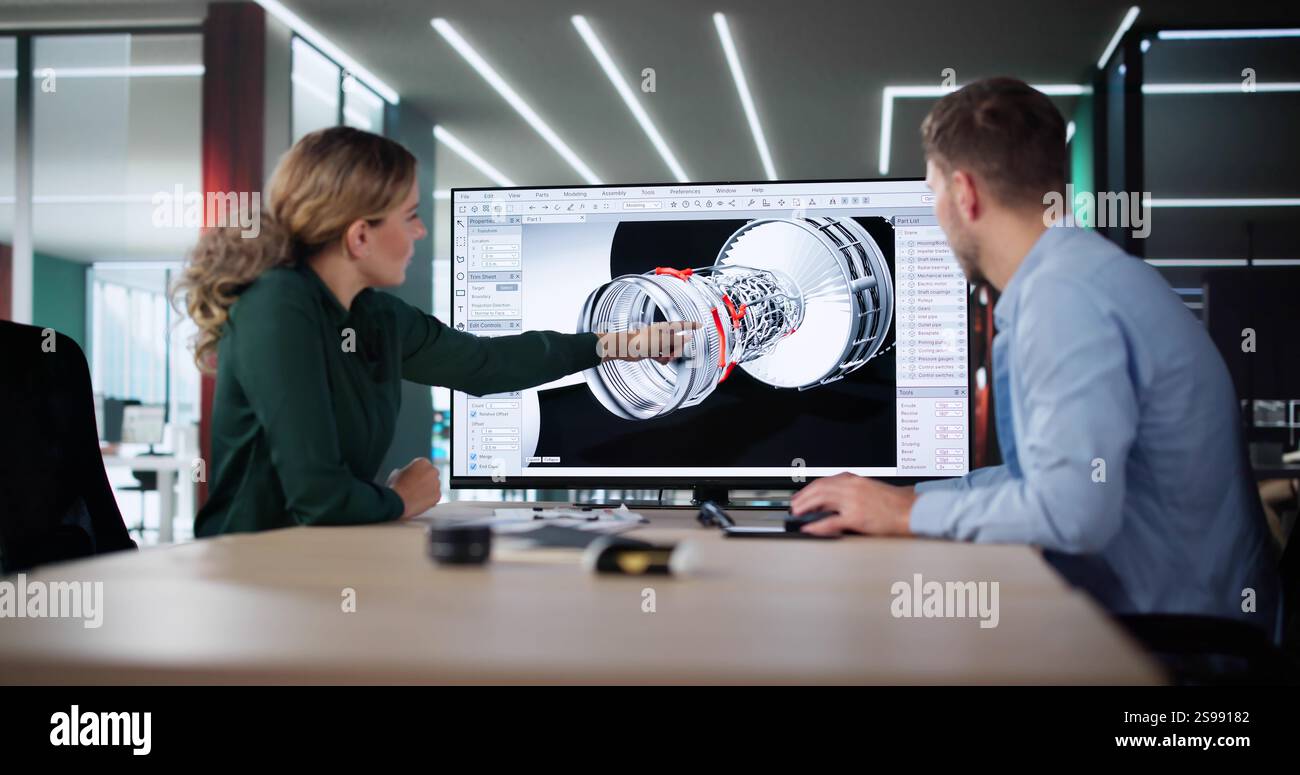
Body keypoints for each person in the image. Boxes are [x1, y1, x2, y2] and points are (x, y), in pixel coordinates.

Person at [791, 78, 1279, 630]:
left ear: (965, 193)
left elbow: (1072, 512)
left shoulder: (1062, 298)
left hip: (1179, 648)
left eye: (933, 194)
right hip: (1175, 615)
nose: (936, 214)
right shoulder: (1083, 277)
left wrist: (907, 512)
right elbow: (1042, 485)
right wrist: (898, 498)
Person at [176, 126, 691, 536]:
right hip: (249, 574)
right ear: (360, 236)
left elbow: (488, 365)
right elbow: (320, 498)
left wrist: (618, 346)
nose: (420, 231)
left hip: (320, 560)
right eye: (411, 216)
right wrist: (403, 497)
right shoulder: (278, 306)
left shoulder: (376, 317)